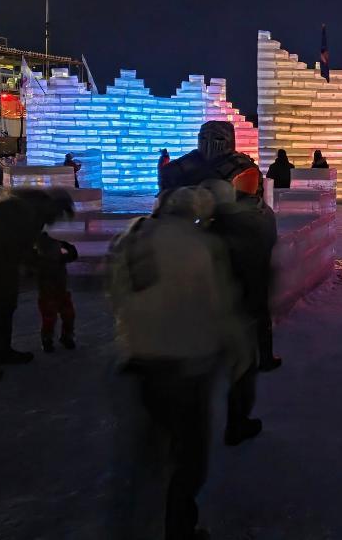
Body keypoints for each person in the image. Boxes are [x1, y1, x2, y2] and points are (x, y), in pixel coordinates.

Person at [107, 185, 243, 540]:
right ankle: (179, 527)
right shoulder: (201, 246)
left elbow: (117, 293)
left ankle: (138, 518)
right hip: (187, 363)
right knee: (190, 455)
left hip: (142, 359)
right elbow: (217, 306)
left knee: (153, 446)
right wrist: (235, 349)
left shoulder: (133, 237)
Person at [0, 189, 74, 382]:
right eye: (60, 212)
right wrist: (47, 265)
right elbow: (20, 249)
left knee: (7, 303)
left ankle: (3, 352)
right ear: (52, 206)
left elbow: (24, 249)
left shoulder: (36, 213)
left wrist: (47, 262)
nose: (58, 218)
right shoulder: (24, 211)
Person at [203, 173, 278, 449]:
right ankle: (237, 421)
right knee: (242, 363)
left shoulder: (211, 227)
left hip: (217, 303)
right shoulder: (262, 216)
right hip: (248, 293)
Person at [159, 120, 256, 193]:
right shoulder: (191, 159)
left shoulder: (241, 165)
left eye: (218, 138)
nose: (209, 143)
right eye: (204, 138)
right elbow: (168, 174)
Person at [34, 230, 79, 352]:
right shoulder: (45, 260)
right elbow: (73, 254)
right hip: (49, 293)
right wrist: (65, 245)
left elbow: (73, 255)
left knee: (64, 316)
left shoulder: (54, 259)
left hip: (56, 292)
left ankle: (55, 338)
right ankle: (52, 338)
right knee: (52, 317)